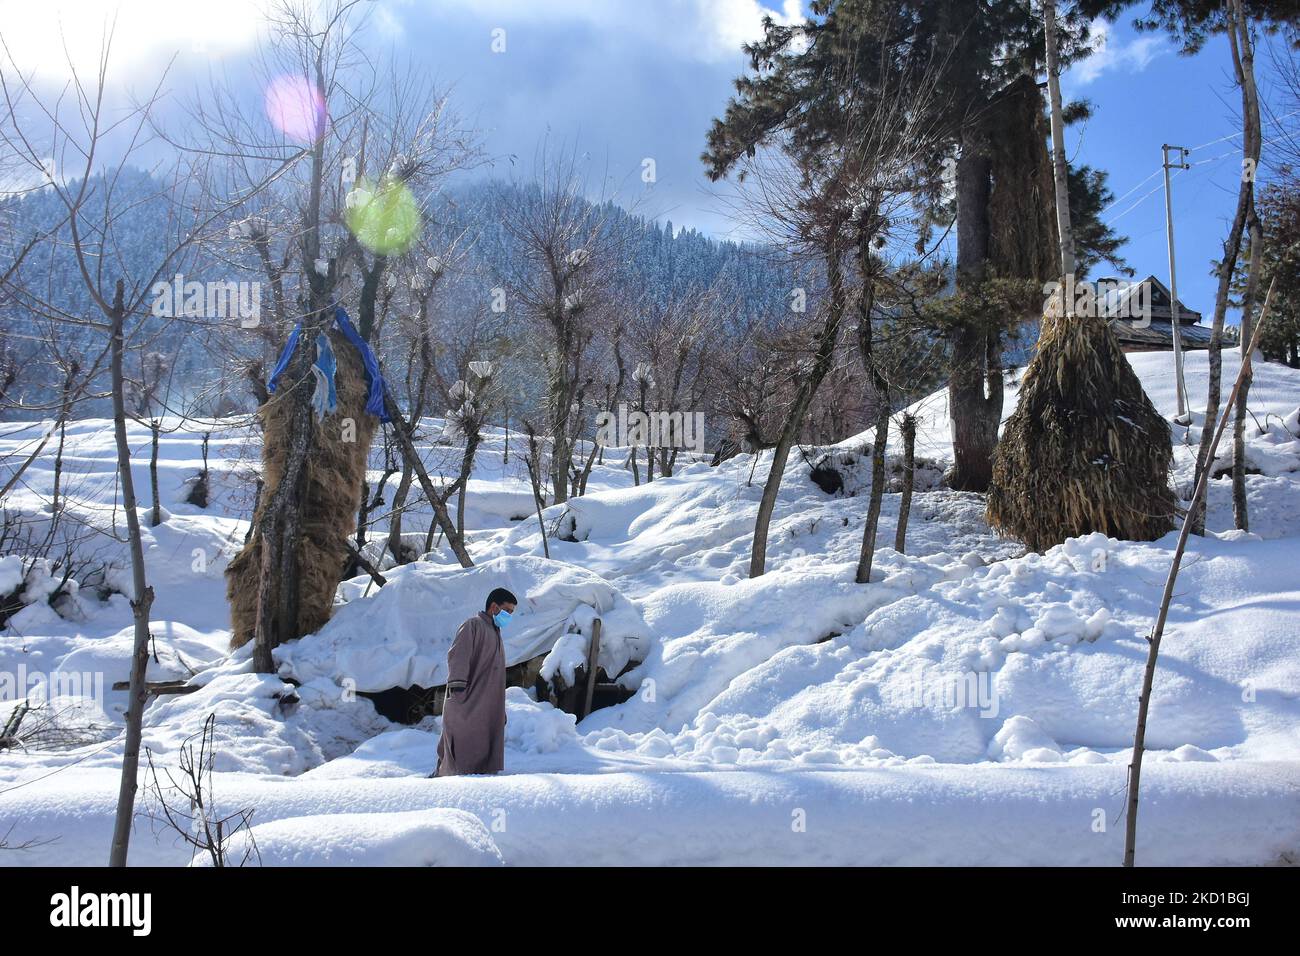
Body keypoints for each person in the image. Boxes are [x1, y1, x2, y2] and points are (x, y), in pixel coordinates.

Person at [433, 587, 517, 777]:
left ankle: (480, 783)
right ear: (494, 607)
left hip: (487, 703)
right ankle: (446, 781)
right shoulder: (473, 625)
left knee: (483, 745)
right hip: (468, 700)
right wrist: (459, 692)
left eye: (512, 612)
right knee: (461, 746)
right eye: (507, 611)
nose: (509, 616)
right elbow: (458, 656)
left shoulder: (495, 632)